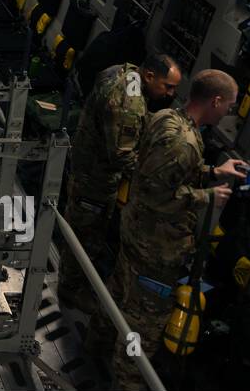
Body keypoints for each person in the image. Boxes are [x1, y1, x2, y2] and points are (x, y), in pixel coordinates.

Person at [105, 69, 249, 390]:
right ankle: (125, 383)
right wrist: (208, 195)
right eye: (230, 104)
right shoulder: (184, 142)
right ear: (214, 101)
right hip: (155, 249)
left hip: (135, 232)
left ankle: (95, 349)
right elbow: (161, 195)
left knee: (116, 298)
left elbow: (165, 168)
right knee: (142, 332)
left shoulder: (169, 118)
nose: (230, 110)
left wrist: (212, 170)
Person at [57, 53, 182, 314]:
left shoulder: (120, 71)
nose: (170, 93)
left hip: (85, 162)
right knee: (85, 236)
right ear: (149, 76)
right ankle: (70, 291)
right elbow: (123, 155)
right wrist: (156, 178)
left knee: (83, 227)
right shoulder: (130, 102)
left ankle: (75, 281)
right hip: (97, 179)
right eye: (167, 86)